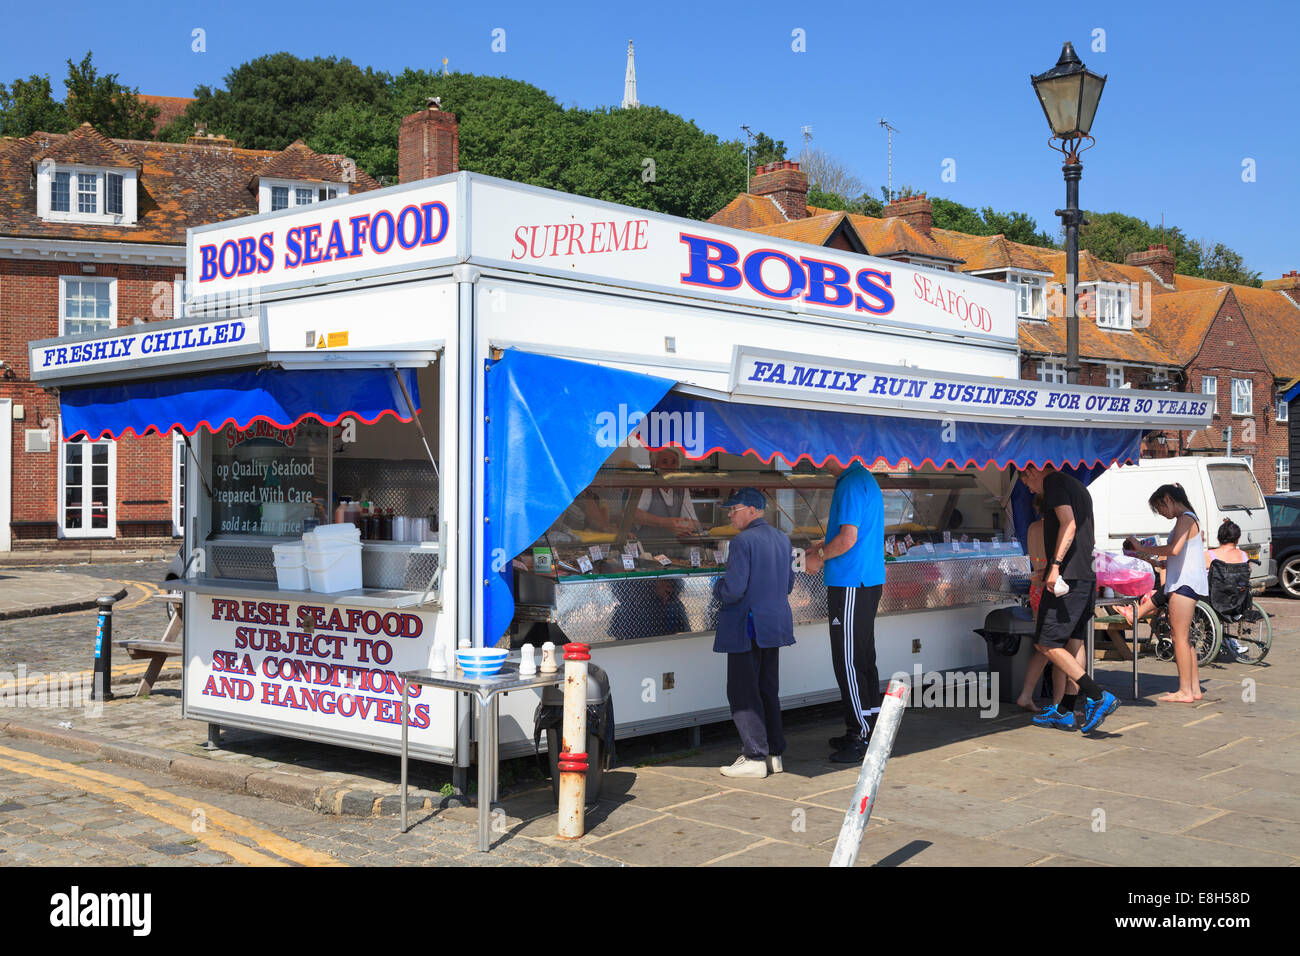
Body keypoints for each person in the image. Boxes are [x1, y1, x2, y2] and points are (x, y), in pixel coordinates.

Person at [1017, 464, 1119, 733]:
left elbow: (1069, 523)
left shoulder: (1055, 484)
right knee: (1073, 644)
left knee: (1046, 644)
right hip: (1084, 575)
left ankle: (1098, 696)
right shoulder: (1076, 485)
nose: (1028, 488)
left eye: (1026, 480)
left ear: (1033, 471)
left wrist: (1055, 566)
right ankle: (1065, 711)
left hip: (1068, 580)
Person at [803, 458, 886, 762]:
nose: (816, 460)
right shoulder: (862, 478)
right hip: (866, 578)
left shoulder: (851, 482)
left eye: (820, 453)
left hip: (851, 580)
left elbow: (849, 539)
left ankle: (859, 734)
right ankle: (872, 727)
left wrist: (819, 556)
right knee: (863, 658)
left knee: (848, 661)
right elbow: (855, 533)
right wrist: (825, 543)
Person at [712, 488, 796, 778]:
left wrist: (716, 586)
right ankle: (774, 753)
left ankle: (754, 757)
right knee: (767, 689)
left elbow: (733, 590)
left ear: (751, 510)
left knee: (743, 692)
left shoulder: (742, 541)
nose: (730, 516)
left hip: (746, 626)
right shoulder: (782, 538)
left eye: (733, 510)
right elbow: (788, 584)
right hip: (773, 625)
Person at [1125, 484, 1208, 703]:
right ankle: (1194, 689)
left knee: (1178, 637)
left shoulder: (1184, 518)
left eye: (1160, 507)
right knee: (1185, 638)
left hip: (1183, 585)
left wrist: (1140, 548)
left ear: (1168, 499)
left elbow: (1174, 549)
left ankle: (1185, 691)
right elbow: (1177, 557)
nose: (1161, 513)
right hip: (1187, 584)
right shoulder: (1189, 518)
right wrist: (1151, 560)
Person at [633, 448, 701, 538]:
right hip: (646, 548)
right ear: (654, 466)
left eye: (674, 462)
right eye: (664, 462)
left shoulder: (682, 489)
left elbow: (694, 522)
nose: (670, 467)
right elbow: (634, 514)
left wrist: (685, 526)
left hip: (674, 548)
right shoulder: (647, 486)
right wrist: (664, 522)